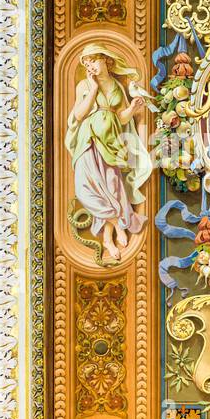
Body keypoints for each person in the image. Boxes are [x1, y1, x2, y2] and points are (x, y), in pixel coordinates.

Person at [65, 46, 152, 263]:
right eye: (87, 63)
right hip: (89, 141)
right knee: (86, 189)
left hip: (111, 143)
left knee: (112, 187)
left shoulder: (116, 86)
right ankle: (117, 223)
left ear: (106, 61)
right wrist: (93, 89)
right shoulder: (84, 85)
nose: (91, 66)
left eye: (94, 61)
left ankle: (107, 239)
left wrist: (132, 108)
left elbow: (121, 118)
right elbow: (78, 114)